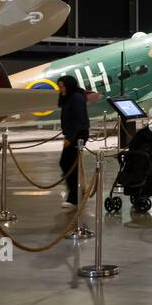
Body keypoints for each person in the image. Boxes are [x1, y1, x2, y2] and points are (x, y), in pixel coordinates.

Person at [56, 74, 90, 210]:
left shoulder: (76, 98)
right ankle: (77, 193)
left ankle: (74, 199)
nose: (61, 89)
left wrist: (70, 138)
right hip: (72, 135)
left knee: (67, 163)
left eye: (62, 86)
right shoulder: (70, 97)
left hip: (77, 136)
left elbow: (79, 121)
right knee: (70, 164)